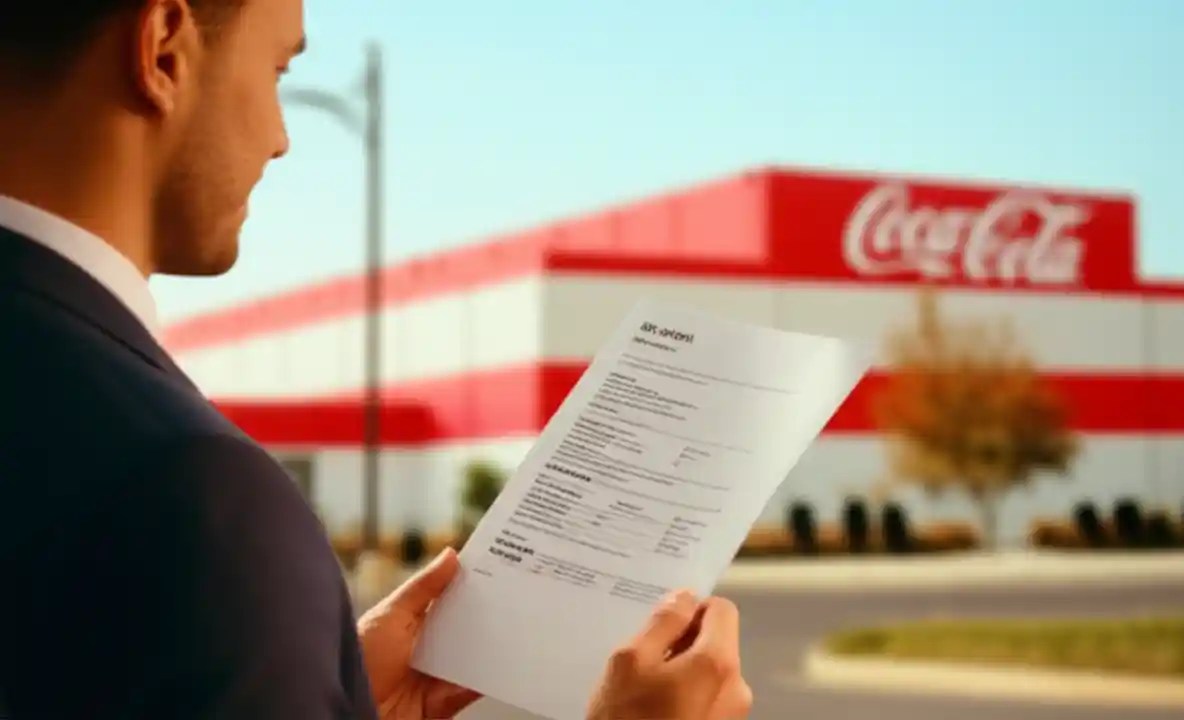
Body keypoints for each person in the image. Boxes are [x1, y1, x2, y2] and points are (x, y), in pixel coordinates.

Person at [0, 1, 754, 718]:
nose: (279, 137)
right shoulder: (194, 494)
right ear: (165, 45)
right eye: (276, 73)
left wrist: (308, 689)